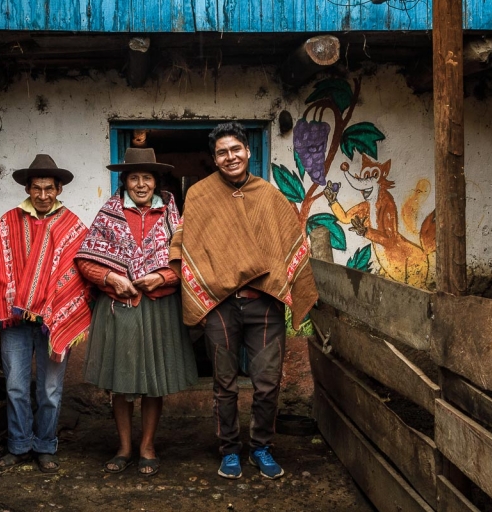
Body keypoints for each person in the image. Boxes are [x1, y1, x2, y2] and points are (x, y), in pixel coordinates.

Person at [169, 122, 318, 480]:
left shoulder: (269, 195)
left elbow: (289, 240)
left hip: (264, 302)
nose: (230, 157)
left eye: (236, 149)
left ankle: (262, 447)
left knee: (268, 382)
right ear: (214, 158)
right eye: (222, 152)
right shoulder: (201, 195)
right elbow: (187, 245)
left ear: (248, 151)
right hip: (220, 303)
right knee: (224, 384)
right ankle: (229, 449)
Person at [0, 154, 92, 473]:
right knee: (16, 386)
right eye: (37, 188)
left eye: (49, 188)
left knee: (49, 389)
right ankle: (19, 445)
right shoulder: (8, 222)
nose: (43, 195)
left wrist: (57, 302)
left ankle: (45, 445)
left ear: (59, 189)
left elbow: (82, 270)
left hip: (53, 322)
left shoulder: (72, 225)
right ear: (28, 188)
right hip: (15, 322)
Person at [76, 148, 198, 477]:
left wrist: (161, 276)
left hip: (158, 307)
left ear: (156, 181)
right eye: (134, 177)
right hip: (119, 307)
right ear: (124, 181)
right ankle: (124, 447)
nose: (141, 184)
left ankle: (147, 446)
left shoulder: (173, 213)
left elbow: (188, 259)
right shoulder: (108, 214)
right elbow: (85, 259)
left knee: (153, 381)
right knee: (121, 381)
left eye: (147, 177)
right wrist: (111, 278)